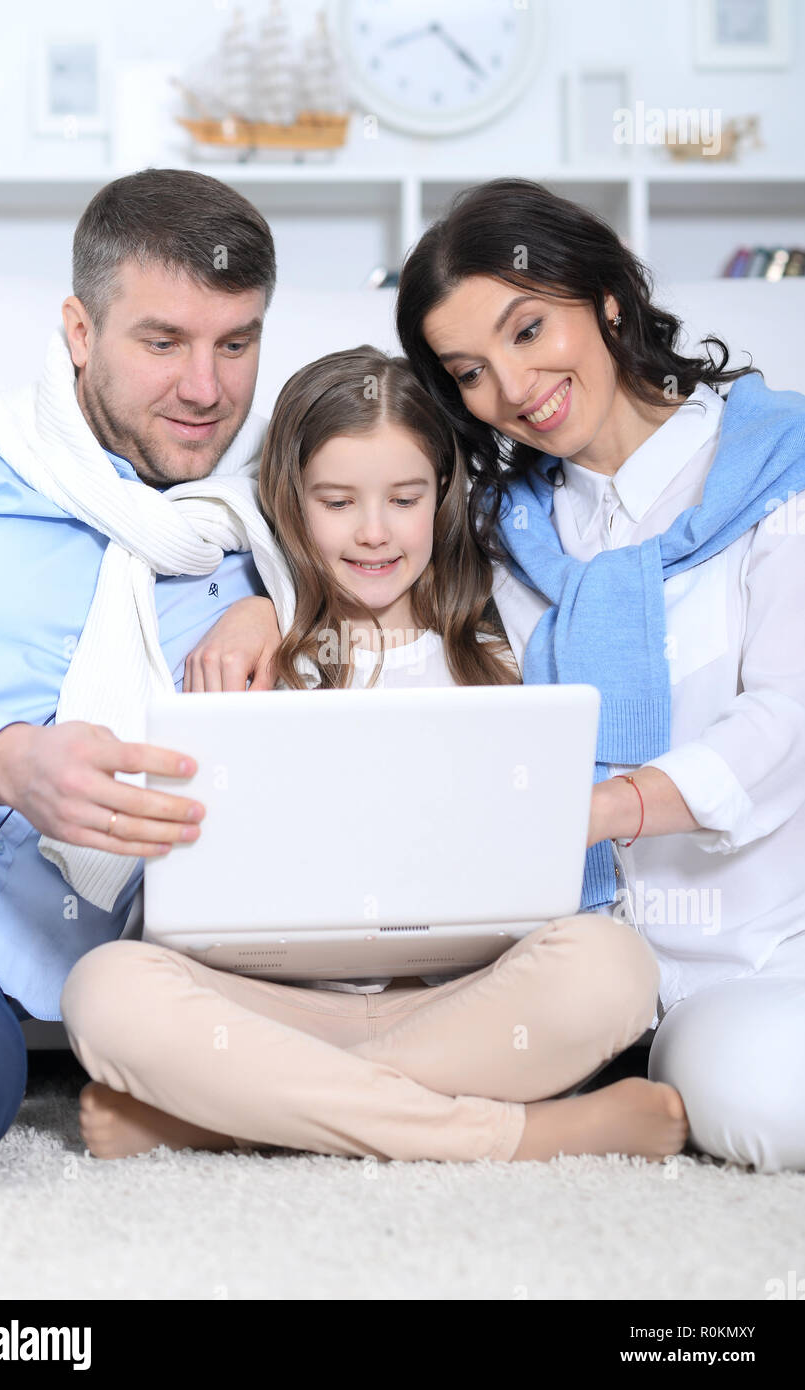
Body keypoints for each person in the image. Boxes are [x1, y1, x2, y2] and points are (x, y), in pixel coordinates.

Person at [60, 346, 686, 1167]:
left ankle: (228, 1119)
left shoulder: (504, 638)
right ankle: (518, 1136)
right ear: (290, 503)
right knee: (105, 991)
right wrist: (257, 613)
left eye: (404, 498)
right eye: (336, 501)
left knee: (613, 969)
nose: (373, 532)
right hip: (271, 1003)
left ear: (442, 496)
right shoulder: (245, 647)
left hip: (460, 998)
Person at [395, 177, 805, 1173]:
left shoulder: (775, 468)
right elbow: (324, 502)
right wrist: (251, 594)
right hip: (599, 965)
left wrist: (601, 807)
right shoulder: (502, 533)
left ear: (605, 297)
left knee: (768, 1092)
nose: (514, 385)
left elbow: (786, 714)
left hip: (769, 939)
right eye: (470, 371)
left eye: (528, 329)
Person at [0, 168, 288, 1184]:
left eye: (237, 342)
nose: (205, 389)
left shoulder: (284, 505)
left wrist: (280, 600)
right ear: (81, 331)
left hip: (136, 958)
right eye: (163, 341)